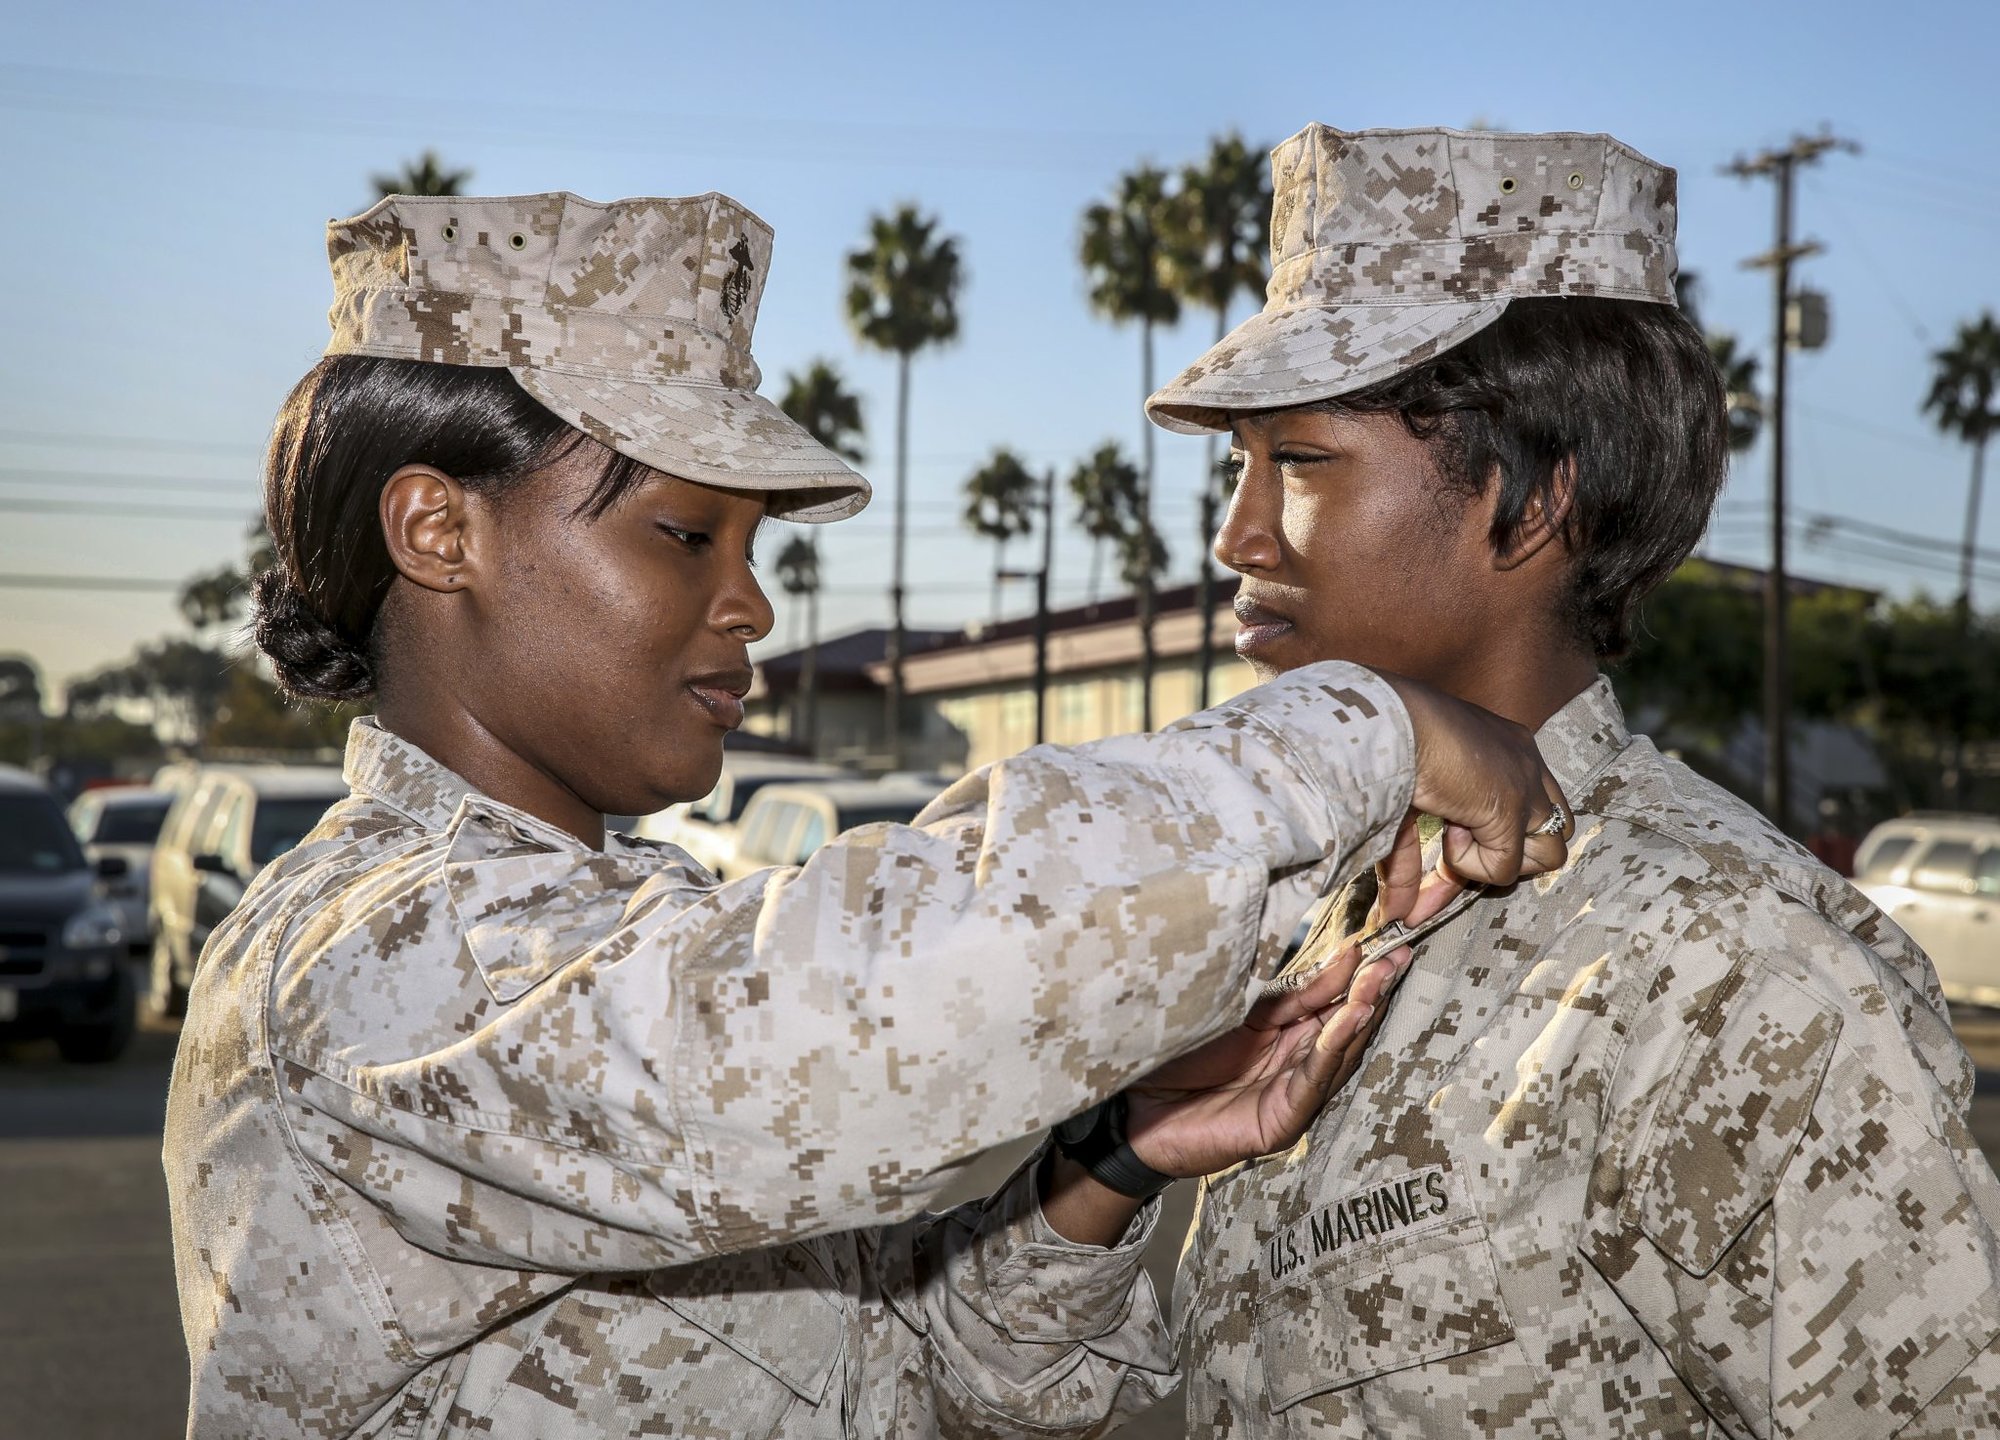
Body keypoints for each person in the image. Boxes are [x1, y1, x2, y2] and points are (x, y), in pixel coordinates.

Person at [162, 188, 1570, 1440]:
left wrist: (1112, 1155)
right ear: (438, 531)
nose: (751, 604)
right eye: (681, 534)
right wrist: (1360, 728)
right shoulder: (370, 966)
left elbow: (923, 1388)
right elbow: (810, 1031)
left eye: (752, 545)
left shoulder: (621, 927)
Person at [1144, 124, 2000, 1438]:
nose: (1236, 533)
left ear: (1538, 498)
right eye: (1236, 465)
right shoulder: (1321, 918)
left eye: (1301, 463)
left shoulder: (1739, 982)